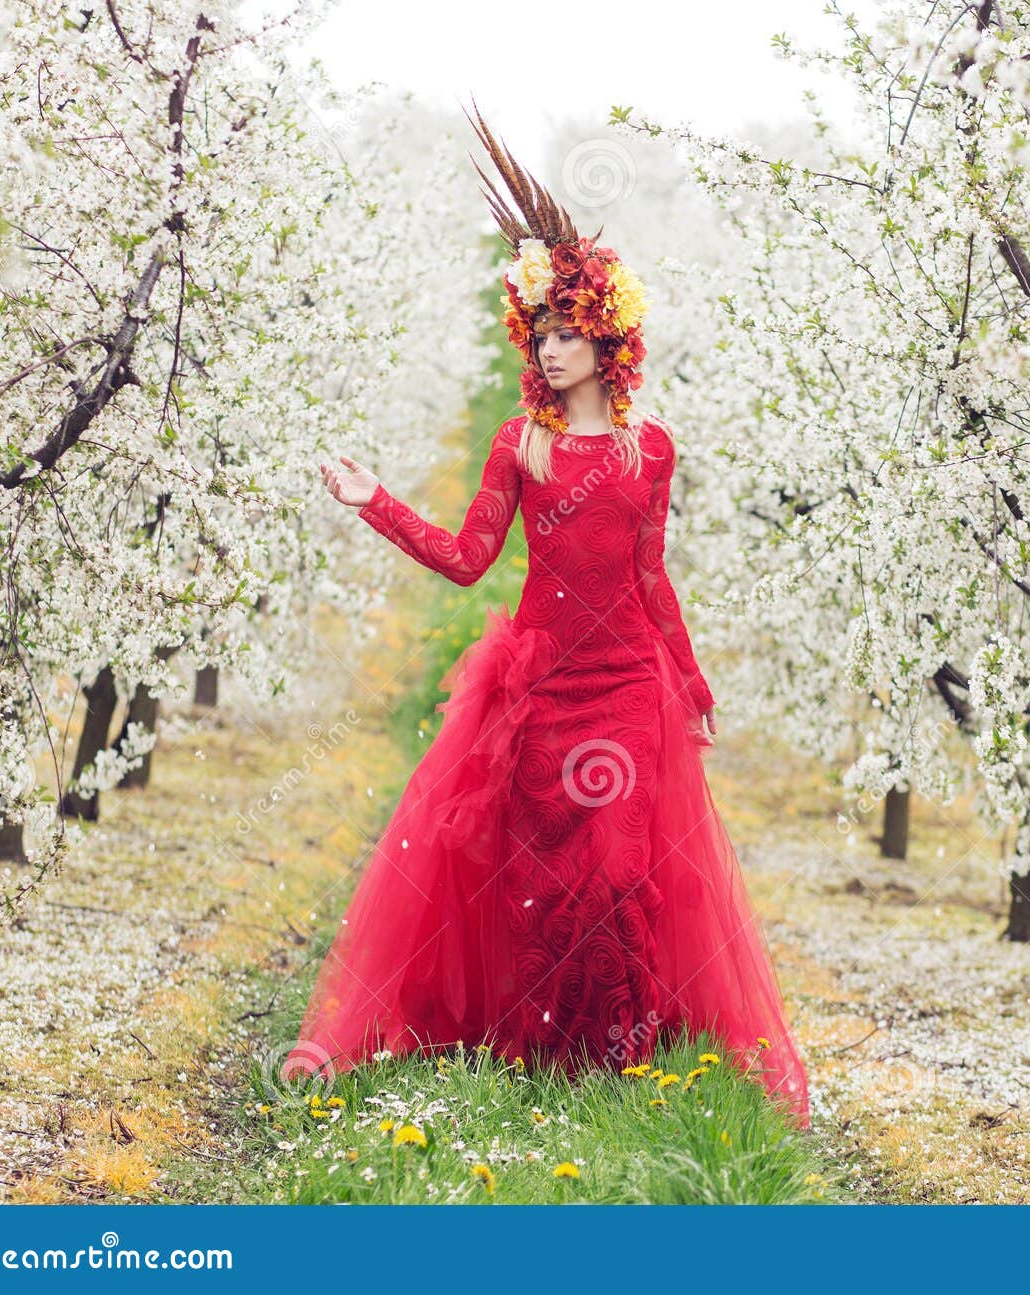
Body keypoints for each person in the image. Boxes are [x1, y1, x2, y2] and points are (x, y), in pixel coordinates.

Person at [287, 108, 810, 1131]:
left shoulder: (646, 449)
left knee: (616, 868)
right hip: (539, 686)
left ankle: (614, 1062)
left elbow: (652, 577)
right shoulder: (518, 446)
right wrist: (375, 501)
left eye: (573, 331)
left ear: (607, 337)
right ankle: (543, 1056)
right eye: (545, 333)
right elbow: (467, 557)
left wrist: (690, 677)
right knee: (538, 878)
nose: (557, 347)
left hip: (624, 686)